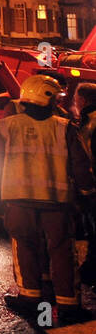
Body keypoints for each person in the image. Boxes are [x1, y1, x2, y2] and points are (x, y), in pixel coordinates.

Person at [0, 75, 96, 324]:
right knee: (61, 251)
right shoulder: (64, 126)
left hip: (18, 201)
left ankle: (30, 297)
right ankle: (68, 304)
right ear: (47, 98)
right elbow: (81, 165)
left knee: (24, 246)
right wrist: (88, 193)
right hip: (56, 202)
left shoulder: (7, 126)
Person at [70, 82, 96, 285]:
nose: (74, 103)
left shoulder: (91, 122)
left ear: (84, 101)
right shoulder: (86, 120)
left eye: (76, 99)